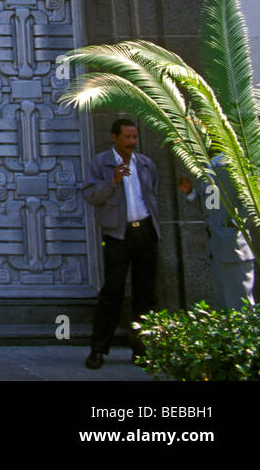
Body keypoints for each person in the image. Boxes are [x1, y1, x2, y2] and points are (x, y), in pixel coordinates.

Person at [82, 117, 160, 369]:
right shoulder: (101, 164)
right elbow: (91, 195)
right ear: (114, 138)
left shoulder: (145, 164)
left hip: (144, 232)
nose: (131, 142)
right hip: (117, 235)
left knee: (145, 294)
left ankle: (142, 349)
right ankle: (98, 350)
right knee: (112, 293)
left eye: (134, 137)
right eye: (127, 137)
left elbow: (152, 195)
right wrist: (112, 182)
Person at [178, 150, 256, 310]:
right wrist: (191, 193)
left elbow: (252, 199)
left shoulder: (231, 164)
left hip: (234, 248)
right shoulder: (210, 165)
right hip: (218, 249)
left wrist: (235, 224)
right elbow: (211, 207)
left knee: (242, 305)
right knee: (227, 303)